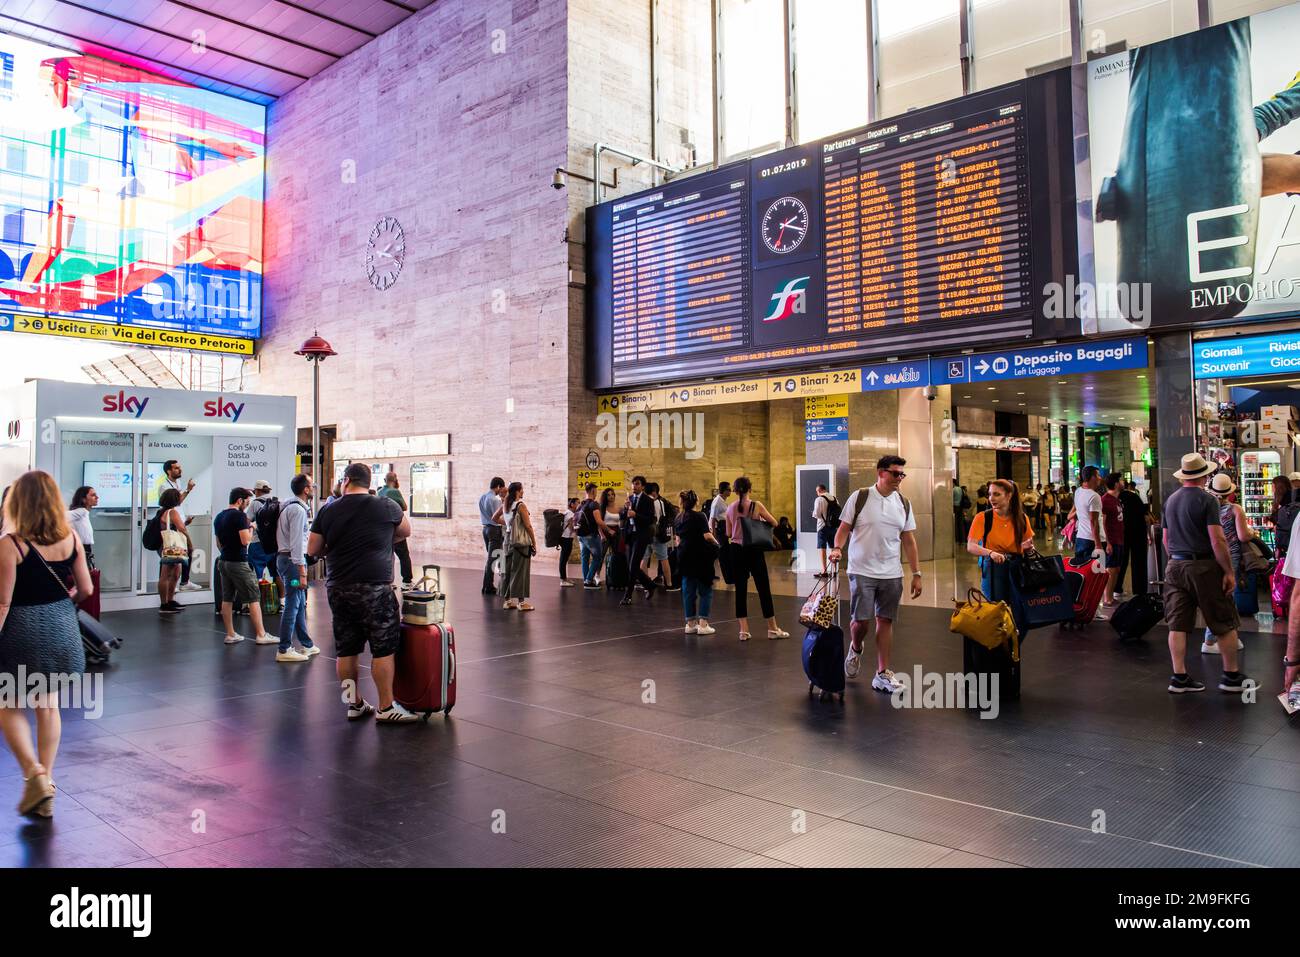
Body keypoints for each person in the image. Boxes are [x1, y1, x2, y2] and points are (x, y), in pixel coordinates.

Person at [0, 470, 93, 818]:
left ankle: (34, 773)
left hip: (22, 631)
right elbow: (85, 590)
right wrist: (61, 601)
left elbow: (3, 602)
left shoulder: (11, 544)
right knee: (48, 705)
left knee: (7, 703)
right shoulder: (69, 537)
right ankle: (48, 784)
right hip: (62, 629)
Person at [308, 462, 417, 722]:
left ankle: (353, 703)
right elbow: (405, 531)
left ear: (346, 481)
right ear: (369, 482)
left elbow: (313, 549)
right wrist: (381, 538)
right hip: (375, 588)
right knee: (383, 649)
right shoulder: (385, 505)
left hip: (340, 588)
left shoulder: (328, 509)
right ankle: (386, 707)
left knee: (346, 650)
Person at [828, 455, 921, 693]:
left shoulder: (903, 503)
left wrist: (916, 573)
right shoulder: (860, 497)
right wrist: (837, 548)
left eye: (902, 474)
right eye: (895, 473)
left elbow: (909, 540)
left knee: (885, 620)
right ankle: (856, 647)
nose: (899, 478)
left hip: (892, 572)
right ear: (880, 472)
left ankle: (882, 673)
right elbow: (843, 529)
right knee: (861, 622)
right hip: (862, 570)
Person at [1160, 453, 1251, 695]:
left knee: (1177, 624)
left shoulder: (1170, 501)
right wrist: (1228, 571)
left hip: (1175, 567)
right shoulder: (1208, 500)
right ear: (1205, 475)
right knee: (1223, 620)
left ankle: (1179, 676)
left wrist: (1175, 561)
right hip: (1203, 566)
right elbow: (1217, 539)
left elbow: (1166, 540)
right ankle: (1231, 676)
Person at [966, 478, 1035, 639]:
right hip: (993, 568)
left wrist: (1027, 548)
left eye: (997, 494)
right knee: (995, 613)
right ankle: (996, 653)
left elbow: (1028, 544)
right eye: (990, 494)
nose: (992, 498)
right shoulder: (983, 518)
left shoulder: (1021, 518)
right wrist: (990, 553)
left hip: (1016, 567)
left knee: (1021, 615)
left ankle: (1012, 650)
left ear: (1009, 495)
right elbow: (971, 546)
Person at [213, 487, 277, 646]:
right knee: (254, 597)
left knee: (227, 598)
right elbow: (245, 540)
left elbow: (218, 543)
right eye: (247, 503)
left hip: (223, 561)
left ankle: (230, 634)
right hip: (239, 562)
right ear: (240, 500)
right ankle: (261, 635)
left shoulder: (219, 517)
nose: (247, 507)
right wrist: (252, 527)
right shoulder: (240, 516)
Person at [727, 476, 788, 641]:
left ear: (734, 490)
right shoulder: (756, 505)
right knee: (763, 588)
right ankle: (772, 628)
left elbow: (728, 533)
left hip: (736, 550)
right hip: (753, 550)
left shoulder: (730, 508)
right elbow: (774, 522)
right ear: (750, 489)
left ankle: (743, 630)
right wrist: (758, 519)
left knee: (740, 589)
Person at [274, 473, 318, 663]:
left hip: (286, 560)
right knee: (292, 603)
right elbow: (297, 544)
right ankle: (284, 649)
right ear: (306, 489)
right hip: (292, 563)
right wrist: (302, 571)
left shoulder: (289, 506)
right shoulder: (298, 511)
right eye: (311, 485)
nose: (314, 488)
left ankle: (306, 644)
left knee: (298, 601)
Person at [1209, 473, 1261, 630]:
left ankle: (1216, 630)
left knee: (1215, 592)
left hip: (1212, 554)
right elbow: (1243, 536)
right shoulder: (1235, 509)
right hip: (1232, 554)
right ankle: (1225, 630)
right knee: (1229, 591)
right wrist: (1253, 532)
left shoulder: (1208, 508)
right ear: (1229, 492)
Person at [674, 491, 718, 636]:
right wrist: (718, 545)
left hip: (684, 556)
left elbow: (678, 540)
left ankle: (690, 623)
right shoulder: (700, 516)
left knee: (688, 590)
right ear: (696, 502)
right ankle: (703, 624)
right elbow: (707, 535)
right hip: (700, 556)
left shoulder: (678, 518)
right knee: (705, 589)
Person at [157, 460, 201, 592]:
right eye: (176, 468)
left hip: (178, 522)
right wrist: (188, 490)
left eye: (179, 467)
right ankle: (169, 585)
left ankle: (183, 581)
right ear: (168, 471)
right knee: (169, 556)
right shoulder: (164, 486)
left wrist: (185, 521)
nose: (179, 470)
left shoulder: (177, 483)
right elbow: (175, 503)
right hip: (170, 525)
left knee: (178, 556)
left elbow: (178, 505)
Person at [493, 481, 536, 611]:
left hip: (507, 540)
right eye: (522, 489)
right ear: (518, 491)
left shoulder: (505, 504)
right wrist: (534, 542)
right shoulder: (520, 505)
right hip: (520, 542)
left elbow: (494, 518)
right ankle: (521, 603)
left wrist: (507, 525)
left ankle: (507, 601)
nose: (523, 492)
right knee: (520, 571)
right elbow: (528, 526)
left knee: (507, 570)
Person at [621, 476, 658, 605]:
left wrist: (635, 514)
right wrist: (625, 509)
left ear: (642, 486)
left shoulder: (648, 500)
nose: (634, 486)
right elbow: (623, 516)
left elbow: (650, 519)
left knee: (633, 566)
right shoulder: (629, 499)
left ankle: (628, 595)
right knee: (632, 566)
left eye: (637, 484)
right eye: (633, 484)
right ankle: (650, 585)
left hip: (641, 536)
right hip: (630, 535)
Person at [155, 488, 190, 614]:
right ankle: (164, 603)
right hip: (169, 546)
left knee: (175, 572)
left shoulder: (162, 511)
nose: (181, 498)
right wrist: (190, 543)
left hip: (165, 545)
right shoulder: (172, 512)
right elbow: (182, 529)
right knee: (166, 574)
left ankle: (169, 601)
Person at [379, 472, 414, 589]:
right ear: (395, 480)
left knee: (388, 557)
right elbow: (404, 507)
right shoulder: (394, 491)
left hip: (384, 530)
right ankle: (407, 581)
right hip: (396, 529)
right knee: (404, 556)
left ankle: (388, 581)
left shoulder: (380, 491)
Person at [1118, 478, 1151, 597]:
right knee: (1139, 561)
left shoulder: (1109, 499)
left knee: (1121, 560)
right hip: (1137, 532)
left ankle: (1117, 587)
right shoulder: (1133, 496)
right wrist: (1148, 533)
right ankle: (1140, 589)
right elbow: (1144, 514)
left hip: (1120, 534)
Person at [1072, 467, 1109, 566]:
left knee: (1082, 571)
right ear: (1092, 477)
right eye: (1098, 475)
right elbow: (1094, 521)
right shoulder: (1094, 496)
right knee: (1098, 574)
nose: (1100, 478)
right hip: (1093, 541)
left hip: (1080, 539)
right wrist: (1098, 545)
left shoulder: (1078, 491)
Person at [645, 483, 676, 591]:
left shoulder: (644, 502)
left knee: (644, 559)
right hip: (657, 534)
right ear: (655, 492)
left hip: (645, 534)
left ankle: (646, 584)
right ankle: (669, 583)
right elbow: (662, 518)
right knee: (664, 559)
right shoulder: (660, 502)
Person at [479, 477, 506, 595]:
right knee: (492, 560)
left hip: (485, 529)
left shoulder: (482, 497)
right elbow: (497, 518)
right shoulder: (495, 499)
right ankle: (488, 586)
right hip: (494, 530)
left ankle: (495, 584)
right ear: (499, 486)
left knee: (496, 558)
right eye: (502, 488)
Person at [1101, 474, 1126, 607]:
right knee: (1111, 569)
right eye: (1121, 480)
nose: (1123, 482)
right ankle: (1107, 598)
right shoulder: (1105, 500)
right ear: (1116, 484)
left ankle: (1110, 596)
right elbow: (1102, 522)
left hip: (1119, 539)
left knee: (1116, 569)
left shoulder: (1116, 499)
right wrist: (1108, 542)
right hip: (1112, 540)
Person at [575, 483, 605, 588]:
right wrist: (609, 531)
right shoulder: (594, 504)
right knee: (598, 557)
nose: (596, 493)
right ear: (593, 491)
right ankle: (588, 580)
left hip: (580, 536)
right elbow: (599, 521)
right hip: (590, 535)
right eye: (596, 491)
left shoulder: (581, 504)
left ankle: (586, 580)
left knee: (585, 557)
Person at [67, 486, 97, 570]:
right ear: (83, 499)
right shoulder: (81, 511)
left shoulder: (84, 513)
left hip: (85, 550)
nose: (97, 497)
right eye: (93, 495)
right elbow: (59, 517)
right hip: (81, 550)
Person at [813, 484, 840, 576]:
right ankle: (834, 570)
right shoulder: (834, 498)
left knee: (822, 548)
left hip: (822, 527)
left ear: (819, 490)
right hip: (833, 526)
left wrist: (814, 514)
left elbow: (817, 514)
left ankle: (824, 571)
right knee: (833, 548)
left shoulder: (819, 499)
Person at [710, 481, 732, 583]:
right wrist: (714, 533)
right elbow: (713, 518)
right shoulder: (717, 501)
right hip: (719, 530)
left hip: (723, 528)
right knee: (723, 554)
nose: (730, 491)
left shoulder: (722, 500)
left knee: (722, 553)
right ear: (723, 490)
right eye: (728, 489)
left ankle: (727, 575)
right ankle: (728, 578)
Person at [559, 496, 578, 587]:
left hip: (566, 538)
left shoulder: (568, 512)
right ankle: (562, 580)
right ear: (572, 504)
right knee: (563, 559)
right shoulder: (570, 513)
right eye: (577, 503)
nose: (578, 505)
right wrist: (578, 529)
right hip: (566, 538)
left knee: (564, 559)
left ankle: (565, 578)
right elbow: (571, 527)